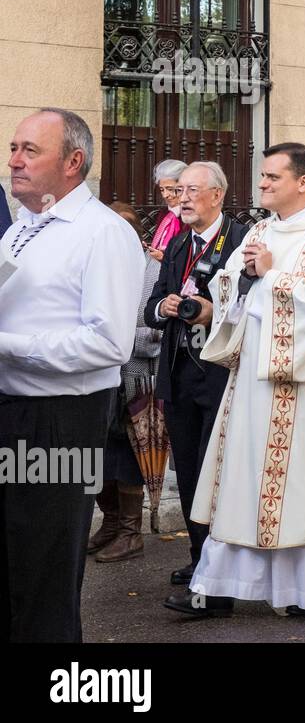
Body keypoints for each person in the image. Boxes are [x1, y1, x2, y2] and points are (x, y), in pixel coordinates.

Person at [181, 143, 305, 616]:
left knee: (301, 493)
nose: (261, 184)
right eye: (262, 177)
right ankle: (220, 588)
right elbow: (226, 287)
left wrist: (270, 277)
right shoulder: (260, 230)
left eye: (272, 178)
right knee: (242, 481)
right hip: (251, 387)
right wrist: (241, 281)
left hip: (301, 386)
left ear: (303, 182)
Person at [0, 108, 142, 640]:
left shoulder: (102, 233)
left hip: (63, 419)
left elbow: (109, 342)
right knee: (14, 557)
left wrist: (6, 346)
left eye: (29, 150)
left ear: (73, 162)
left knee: (46, 567)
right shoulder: (21, 228)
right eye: (13, 147)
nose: (14, 160)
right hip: (13, 408)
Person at [148, 162, 248, 606]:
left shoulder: (243, 240)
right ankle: (197, 556)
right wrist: (165, 305)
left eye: (191, 190)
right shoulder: (176, 245)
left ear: (217, 196)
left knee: (217, 474)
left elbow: (251, 303)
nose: (182, 198)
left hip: (222, 372)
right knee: (187, 471)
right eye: (178, 190)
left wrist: (214, 310)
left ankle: (220, 575)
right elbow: (150, 305)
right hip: (178, 373)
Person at [90, 202, 162, 564]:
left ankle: (131, 534)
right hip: (99, 378)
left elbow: (158, 328)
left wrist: (112, 339)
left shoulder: (153, 270)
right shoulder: (98, 267)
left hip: (136, 379)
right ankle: (112, 523)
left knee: (131, 455)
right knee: (99, 454)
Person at [147, 159, 187, 262]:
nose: (165, 195)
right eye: (162, 190)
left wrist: (164, 258)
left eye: (170, 189)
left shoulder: (190, 215)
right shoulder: (164, 213)